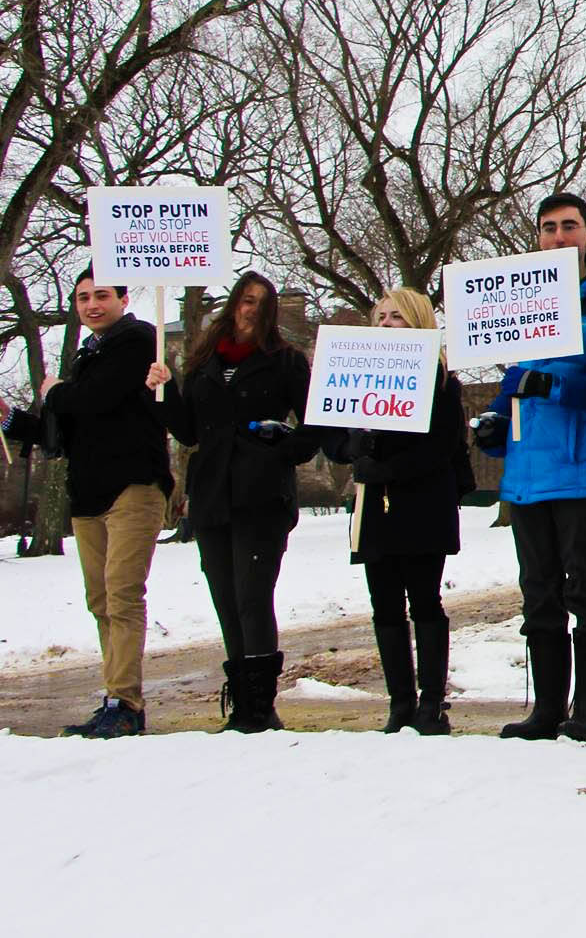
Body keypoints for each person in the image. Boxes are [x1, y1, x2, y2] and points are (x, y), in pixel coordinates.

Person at [477, 193, 586, 743]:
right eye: (548, 228)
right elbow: (519, 378)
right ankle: (546, 707)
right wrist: (495, 420)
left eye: (570, 227)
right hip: (527, 472)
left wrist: (553, 385)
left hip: (582, 466)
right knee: (537, 593)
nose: (559, 237)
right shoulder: (519, 298)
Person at [148, 271, 319, 733]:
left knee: (252, 596)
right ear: (232, 305)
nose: (251, 310)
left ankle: (261, 705)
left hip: (261, 494)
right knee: (225, 597)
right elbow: (187, 429)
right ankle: (242, 700)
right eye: (245, 300)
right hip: (212, 494)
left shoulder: (284, 362)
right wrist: (162, 392)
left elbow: (313, 428)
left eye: (262, 303)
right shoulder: (204, 359)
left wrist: (277, 447)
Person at [2, 273, 172, 737]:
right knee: (100, 600)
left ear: (122, 298)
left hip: (132, 487)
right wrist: (14, 419)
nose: (92, 305)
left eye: (101, 295)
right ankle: (115, 700)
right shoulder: (87, 355)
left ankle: (126, 702)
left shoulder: (139, 340)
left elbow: (95, 400)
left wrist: (54, 391)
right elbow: (66, 431)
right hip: (88, 494)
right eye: (83, 298)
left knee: (121, 594)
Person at [336, 288, 470, 735]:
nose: (387, 323)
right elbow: (334, 438)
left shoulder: (442, 382)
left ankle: (432, 702)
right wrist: (354, 447)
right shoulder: (357, 378)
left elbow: (442, 445)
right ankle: (399, 702)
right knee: (385, 605)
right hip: (375, 505)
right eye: (380, 317)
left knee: (425, 601)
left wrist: (386, 468)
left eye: (397, 316)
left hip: (423, 502)